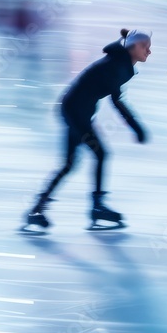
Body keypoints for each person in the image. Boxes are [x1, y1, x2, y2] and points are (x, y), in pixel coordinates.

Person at [21, 28, 151, 234]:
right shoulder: (116, 65)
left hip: (75, 111)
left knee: (70, 163)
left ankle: (37, 209)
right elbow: (117, 101)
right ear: (133, 47)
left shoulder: (120, 63)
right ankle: (96, 208)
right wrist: (136, 127)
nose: (149, 52)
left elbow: (112, 97)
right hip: (75, 112)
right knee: (100, 154)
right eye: (146, 47)